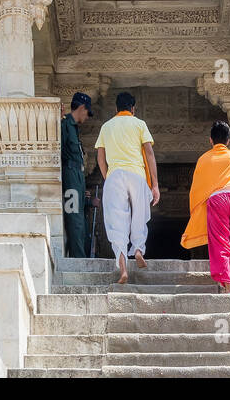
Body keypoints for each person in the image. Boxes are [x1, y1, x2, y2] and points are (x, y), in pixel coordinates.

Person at [181, 120, 230, 293]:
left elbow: (196, 190)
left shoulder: (204, 160)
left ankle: (228, 286)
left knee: (220, 243)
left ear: (211, 140)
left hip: (216, 202)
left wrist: (198, 211)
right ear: (228, 141)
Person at [95, 92, 159, 284]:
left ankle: (123, 268)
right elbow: (149, 153)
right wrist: (155, 185)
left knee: (117, 222)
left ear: (116, 109)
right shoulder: (139, 124)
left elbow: (100, 156)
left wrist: (109, 177)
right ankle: (138, 249)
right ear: (133, 108)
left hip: (115, 174)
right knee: (139, 215)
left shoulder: (106, 126)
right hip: (137, 175)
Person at [60, 92, 93, 259]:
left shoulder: (74, 128)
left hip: (77, 179)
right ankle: (78, 259)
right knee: (75, 221)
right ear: (81, 108)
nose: (87, 117)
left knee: (80, 220)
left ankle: (82, 257)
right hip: (70, 177)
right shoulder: (64, 124)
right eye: (87, 112)